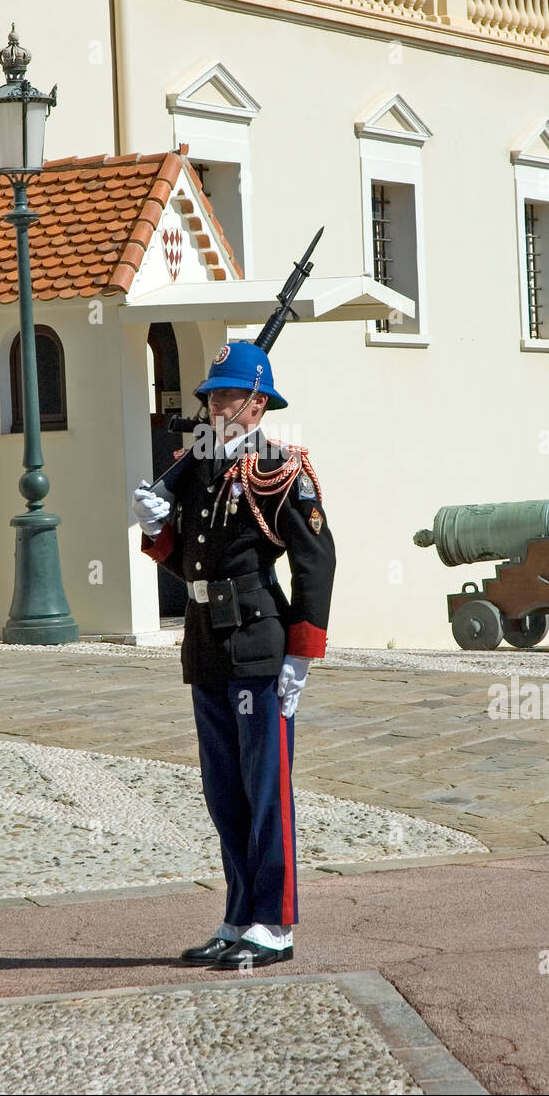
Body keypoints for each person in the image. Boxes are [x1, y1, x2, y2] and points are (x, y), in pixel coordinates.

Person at [132, 340, 335, 968]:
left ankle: (275, 923)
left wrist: (301, 655)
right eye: (213, 395)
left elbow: (316, 562)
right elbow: (187, 555)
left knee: (264, 789)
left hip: (258, 644)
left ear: (259, 405)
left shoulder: (281, 467)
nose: (219, 405)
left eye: (231, 396)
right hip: (206, 644)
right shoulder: (197, 465)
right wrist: (153, 526)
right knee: (224, 790)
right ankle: (239, 913)